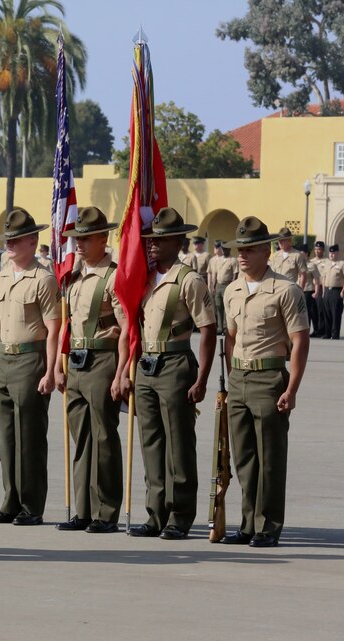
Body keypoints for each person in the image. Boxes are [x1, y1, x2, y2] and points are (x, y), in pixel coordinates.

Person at [123, 207, 217, 541]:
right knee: (151, 443)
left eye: (159, 240)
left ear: (176, 241)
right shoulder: (145, 279)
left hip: (176, 365)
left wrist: (202, 377)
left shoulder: (189, 279)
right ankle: (156, 512)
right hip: (147, 366)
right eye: (149, 239)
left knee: (179, 444)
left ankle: (180, 514)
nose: (151, 245)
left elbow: (207, 329)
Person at [220, 216, 309, 548]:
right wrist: (232, 374)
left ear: (266, 251)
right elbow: (230, 336)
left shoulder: (285, 290)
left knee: (269, 456)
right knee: (243, 457)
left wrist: (292, 388)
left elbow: (300, 341)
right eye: (239, 249)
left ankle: (268, 526)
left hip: (270, 377)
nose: (242, 255)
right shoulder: (232, 290)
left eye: (250, 249)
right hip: (240, 377)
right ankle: (247, 523)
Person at [0, 208, 60, 526]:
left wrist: (51, 370)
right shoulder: (1, 278)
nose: (10, 245)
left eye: (16, 240)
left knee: (29, 436)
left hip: (32, 359)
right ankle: (10, 502)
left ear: (33, 241)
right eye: (7, 240)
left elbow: (54, 328)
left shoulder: (44, 279)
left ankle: (31, 505)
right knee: (6, 436)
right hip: (5, 361)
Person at [54, 207, 128, 533]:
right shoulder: (75, 279)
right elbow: (68, 325)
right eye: (76, 239)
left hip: (102, 361)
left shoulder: (113, 278)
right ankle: (82, 509)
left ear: (103, 238)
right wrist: (59, 361)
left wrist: (122, 370)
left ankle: (106, 511)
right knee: (81, 438)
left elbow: (127, 329)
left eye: (85, 239)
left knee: (103, 438)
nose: (79, 245)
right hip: (76, 363)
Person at [207, 240, 239, 332]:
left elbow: (235, 274)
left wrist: (232, 286)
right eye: (223, 249)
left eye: (226, 249)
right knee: (218, 306)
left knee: (226, 307)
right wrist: (213, 286)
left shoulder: (233, 260)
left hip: (227, 285)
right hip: (218, 285)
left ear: (229, 250)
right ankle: (219, 327)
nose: (224, 251)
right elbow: (215, 274)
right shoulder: (218, 260)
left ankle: (226, 327)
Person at [322, 244, 344, 340]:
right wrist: (323, 291)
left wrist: (343, 290)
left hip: (336, 291)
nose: (331, 255)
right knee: (327, 312)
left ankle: (335, 334)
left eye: (333, 253)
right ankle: (327, 333)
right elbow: (323, 277)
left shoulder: (342, 264)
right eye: (330, 253)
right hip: (327, 290)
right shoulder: (327, 263)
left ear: (337, 253)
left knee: (336, 313)